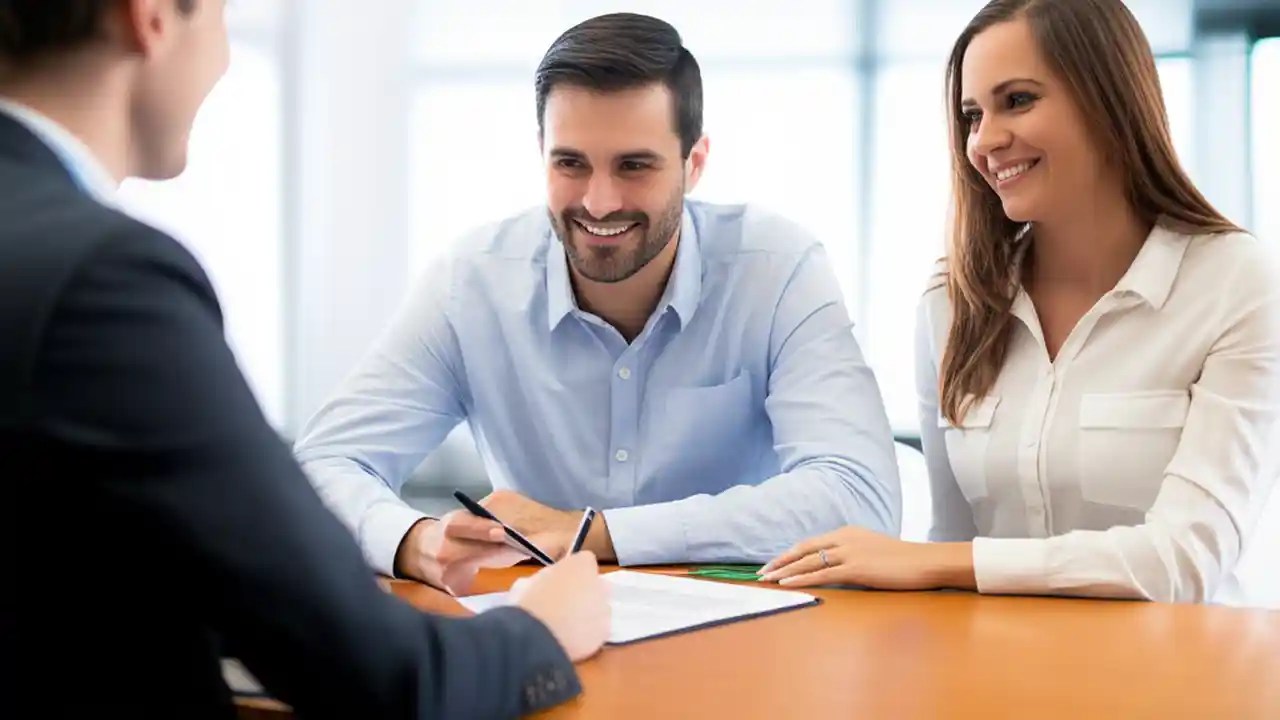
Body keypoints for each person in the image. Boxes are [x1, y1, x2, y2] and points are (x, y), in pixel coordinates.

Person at [0, 1, 609, 716]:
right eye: (223, 17)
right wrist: (538, 627)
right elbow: (382, 676)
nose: (224, 60)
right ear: (153, 17)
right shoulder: (104, 279)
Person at [293, 12, 901, 588]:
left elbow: (860, 499)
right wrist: (411, 539)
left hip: (757, 630)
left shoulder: (779, 270)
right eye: (571, 163)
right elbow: (323, 463)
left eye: (634, 165)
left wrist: (595, 534)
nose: (600, 201)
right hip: (547, 634)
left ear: (695, 163)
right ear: (541, 154)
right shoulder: (471, 283)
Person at [761, 0, 1280, 604]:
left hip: (1178, 681)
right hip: (998, 678)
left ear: (1108, 99)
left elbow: (1184, 560)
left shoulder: (1235, 281)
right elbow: (951, 537)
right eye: (972, 115)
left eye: (1018, 100)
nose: (985, 140)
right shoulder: (950, 303)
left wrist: (938, 564)